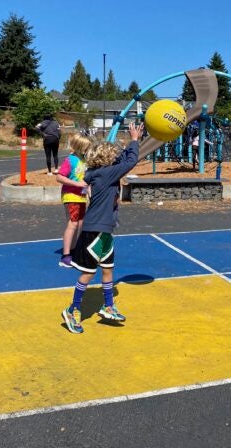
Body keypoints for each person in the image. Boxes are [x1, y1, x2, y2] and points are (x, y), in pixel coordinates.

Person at [61, 121, 143, 334]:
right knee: (88, 274)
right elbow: (130, 160)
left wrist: (127, 146)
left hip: (105, 230)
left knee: (108, 271)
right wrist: (134, 141)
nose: (118, 158)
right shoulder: (106, 175)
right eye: (114, 156)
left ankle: (108, 306)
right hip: (94, 231)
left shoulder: (102, 172)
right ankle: (72, 310)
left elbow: (124, 160)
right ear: (108, 161)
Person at [56, 132, 92, 268]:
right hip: (71, 195)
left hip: (81, 196)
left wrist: (89, 192)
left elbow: (85, 179)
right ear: (79, 146)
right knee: (73, 223)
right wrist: (77, 184)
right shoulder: (70, 160)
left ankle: (74, 249)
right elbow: (59, 177)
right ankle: (66, 255)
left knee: (81, 223)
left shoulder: (84, 160)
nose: (87, 149)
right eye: (86, 147)